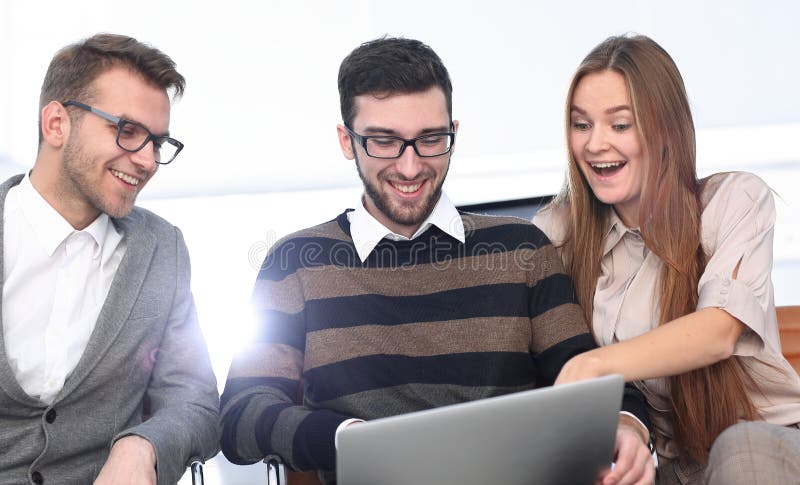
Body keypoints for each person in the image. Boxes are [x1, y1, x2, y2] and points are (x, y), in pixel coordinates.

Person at [220, 36, 655, 485]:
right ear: (347, 141)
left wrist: (626, 425)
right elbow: (240, 416)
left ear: (454, 133)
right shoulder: (295, 264)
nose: (410, 168)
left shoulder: (522, 249)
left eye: (430, 140)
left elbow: (594, 379)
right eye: (384, 142)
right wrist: (346, 438)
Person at [535, 34, 800, 484]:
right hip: (656, 465)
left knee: (740, 447)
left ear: (665, 128)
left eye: (620, 125)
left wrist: (597, 364)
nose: (596, 144)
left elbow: (718, 330)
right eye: (582, 125)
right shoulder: (558, 235)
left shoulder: (732, 202)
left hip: (762, 448)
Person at [0, 34, 219, 484]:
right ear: (56, 124)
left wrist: (143, 446)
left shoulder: (163, 249)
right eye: (127, 131)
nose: (146, 160)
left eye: (157, 142)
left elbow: (194, 400)